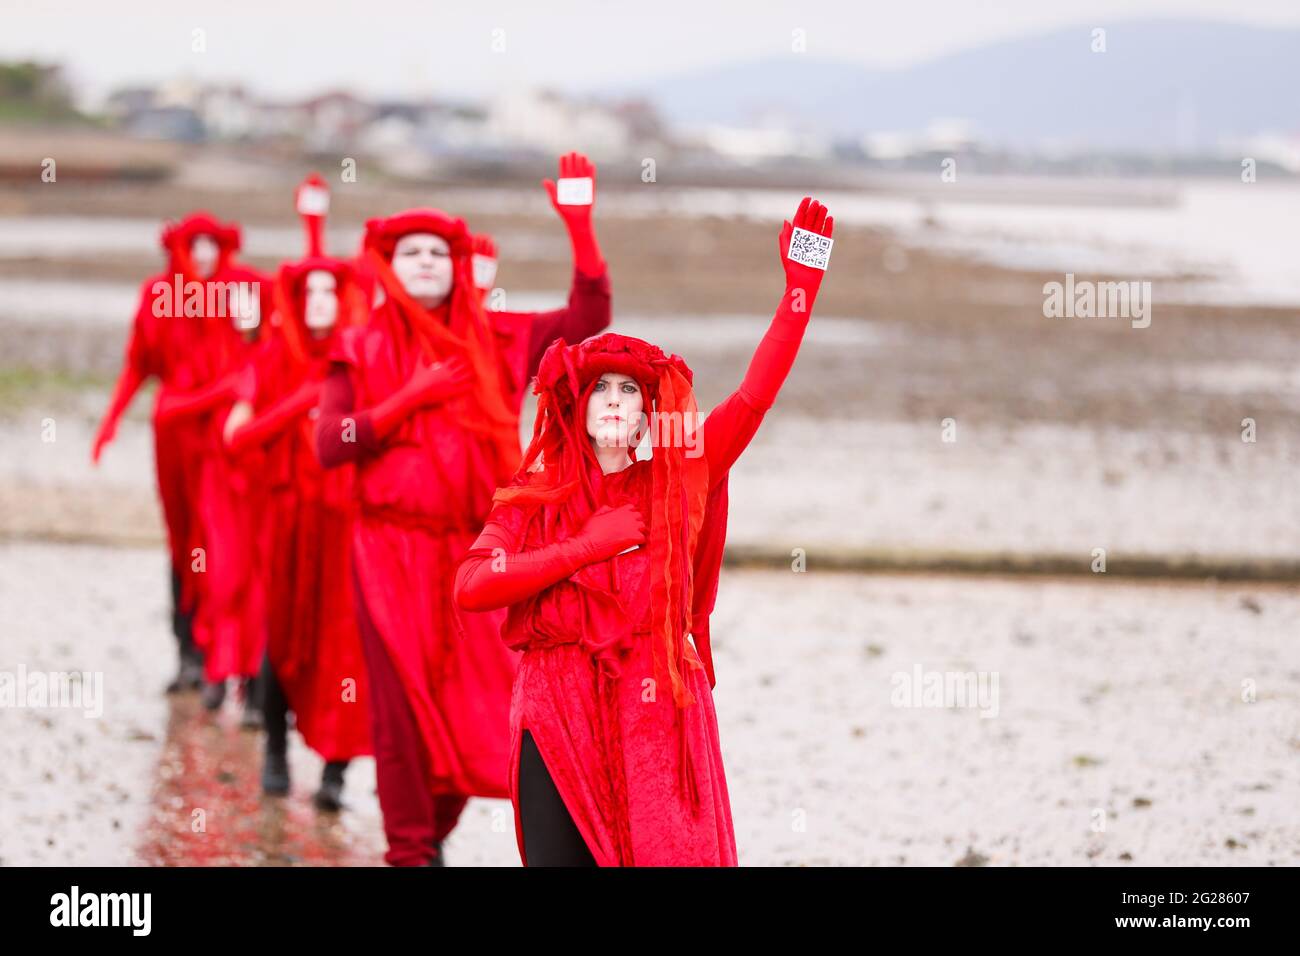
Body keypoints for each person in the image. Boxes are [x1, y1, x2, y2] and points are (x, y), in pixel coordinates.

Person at [453, 197, 834, 866]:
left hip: (653, 704)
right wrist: (586, 546)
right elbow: (474, 586)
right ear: (577, 404)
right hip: (555, 702)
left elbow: (752, 398)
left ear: (648, 413)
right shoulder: (534, 496)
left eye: (629, 391)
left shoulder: (678, 481)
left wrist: (798, 295)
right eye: (601, 388)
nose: (614, 402)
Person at [313, 152, 613, 866]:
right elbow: (331, 443)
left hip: (482, 554)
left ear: (456, 263)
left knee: (487, 706)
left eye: (438, 251)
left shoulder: (502, 334)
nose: (424, 262)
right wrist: (406, 401)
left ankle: (433, 834)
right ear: (388, 264)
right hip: (385, 552)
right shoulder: (361, 344)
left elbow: (589, 318)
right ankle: (410, 853)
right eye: (409, 252)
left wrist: (580, 227)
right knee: (400, 714)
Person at [225, 174, 372, 809]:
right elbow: (238, 437)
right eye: (307, 289)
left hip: (344, 521)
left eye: (327, 289)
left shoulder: (359, 359)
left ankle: (336, 769)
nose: (317, 299)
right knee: (281, 634)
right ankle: (278, 750)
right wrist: (299, 405)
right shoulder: (269, 361)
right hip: (286, 519)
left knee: (345, 641)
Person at [91, 212, 243, 693]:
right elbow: (138, 364)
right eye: (193, 244)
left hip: (223, 434)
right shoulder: (159, 298)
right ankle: (188, 652)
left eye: (210, 244)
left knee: (220, 537)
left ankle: (223, 653)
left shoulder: (239, 292)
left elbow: (304, 303)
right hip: (175, 435)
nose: (201, 254)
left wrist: (315, 226)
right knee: (184, 544)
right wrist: (111, 420)